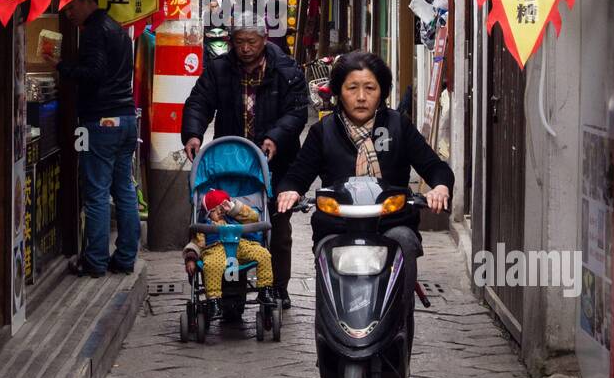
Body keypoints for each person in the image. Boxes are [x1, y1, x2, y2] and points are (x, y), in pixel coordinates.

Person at [275, 51, 452, 321]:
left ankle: (400, 326)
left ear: (382, 91)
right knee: (328, 266)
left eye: (370, 88)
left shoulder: (398, 126)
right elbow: (296, 176)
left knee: (404, 242)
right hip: (337, 226)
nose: (361, 97)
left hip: (392, 223)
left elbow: (435, 167)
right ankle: (329, 337)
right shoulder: (323, 131)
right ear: (338, 92)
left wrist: (440, 187)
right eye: (352, 88)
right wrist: (290, 191)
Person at [181, 17, 308, 306]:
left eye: (251, 42)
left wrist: (276, 137)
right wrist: (193, 134)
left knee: (276, 224)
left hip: (277, 161)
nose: (246, 48)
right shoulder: (218, 70)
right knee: (229, 221)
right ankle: (230, 289)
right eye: (240, 42)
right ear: (231, 42)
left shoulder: (287, 71)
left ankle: (277, 286)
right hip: (233, 164)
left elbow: (297, 111)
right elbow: (199, 102)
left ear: (265, 40)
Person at [58, 0, 140, 278]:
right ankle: (126, 257)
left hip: (102, 122)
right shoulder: (117, 29)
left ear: (87, 0)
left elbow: (94, 73)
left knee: (96, 193)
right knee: (124, 191)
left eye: (71, 5)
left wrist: (61, 67)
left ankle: (95, 261)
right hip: (126, 120)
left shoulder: (94, 32)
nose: (68, 12)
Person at [181, 189, 274, 302]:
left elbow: (253, 217)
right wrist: (190, 259)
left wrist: (234, 209)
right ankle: (214, 299)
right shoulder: (206, 227)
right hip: (216, 249)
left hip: (241, 246)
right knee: (211, 265)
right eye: (215, 210)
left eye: (222, 209)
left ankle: (265, 289)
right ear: (208, 214)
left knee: (263, 254)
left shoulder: (235, 218)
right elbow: (196, 244)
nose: (220, 213)